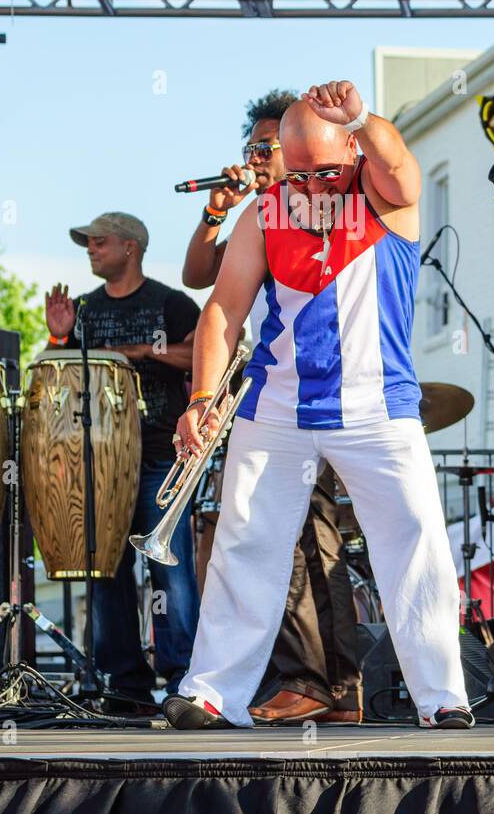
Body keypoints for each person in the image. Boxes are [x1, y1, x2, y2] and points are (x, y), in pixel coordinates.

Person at [165, 80, 473, 730]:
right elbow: (223, 306)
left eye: (325, 170)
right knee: (243, 543)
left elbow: (399, 165)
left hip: (378, 407)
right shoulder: (266, 212)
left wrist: (361, 117)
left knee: (415, 546)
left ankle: (441, 698)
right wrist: (201, 398)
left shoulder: (383, 197)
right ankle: (212, 692)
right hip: (278, 405)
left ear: (354, 148)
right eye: (296, 171)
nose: (308, 185)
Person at [182, 89, 363, 724]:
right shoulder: (258, 216)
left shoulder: (328, 206)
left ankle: (327, 686)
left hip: (328, 393)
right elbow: (197, 277)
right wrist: (216, 211)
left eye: (268, 148)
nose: (258, 159)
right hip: (274, 395)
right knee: (270, 540)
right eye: (252, 149)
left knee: (313, 541)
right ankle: (306, 681)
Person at [45, 211, 200, 711]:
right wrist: (59, 338)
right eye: (87, 243)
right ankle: (124, 687)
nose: (90, 249)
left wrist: (139, 352)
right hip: (97, 459)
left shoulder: (171, 302)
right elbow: (59, 381)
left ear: (130, 247)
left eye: (99, 242)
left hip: (159, 454)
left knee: (169, 569)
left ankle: (183, 684)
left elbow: (201, 354)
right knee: (104, 570)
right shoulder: (84, 309)